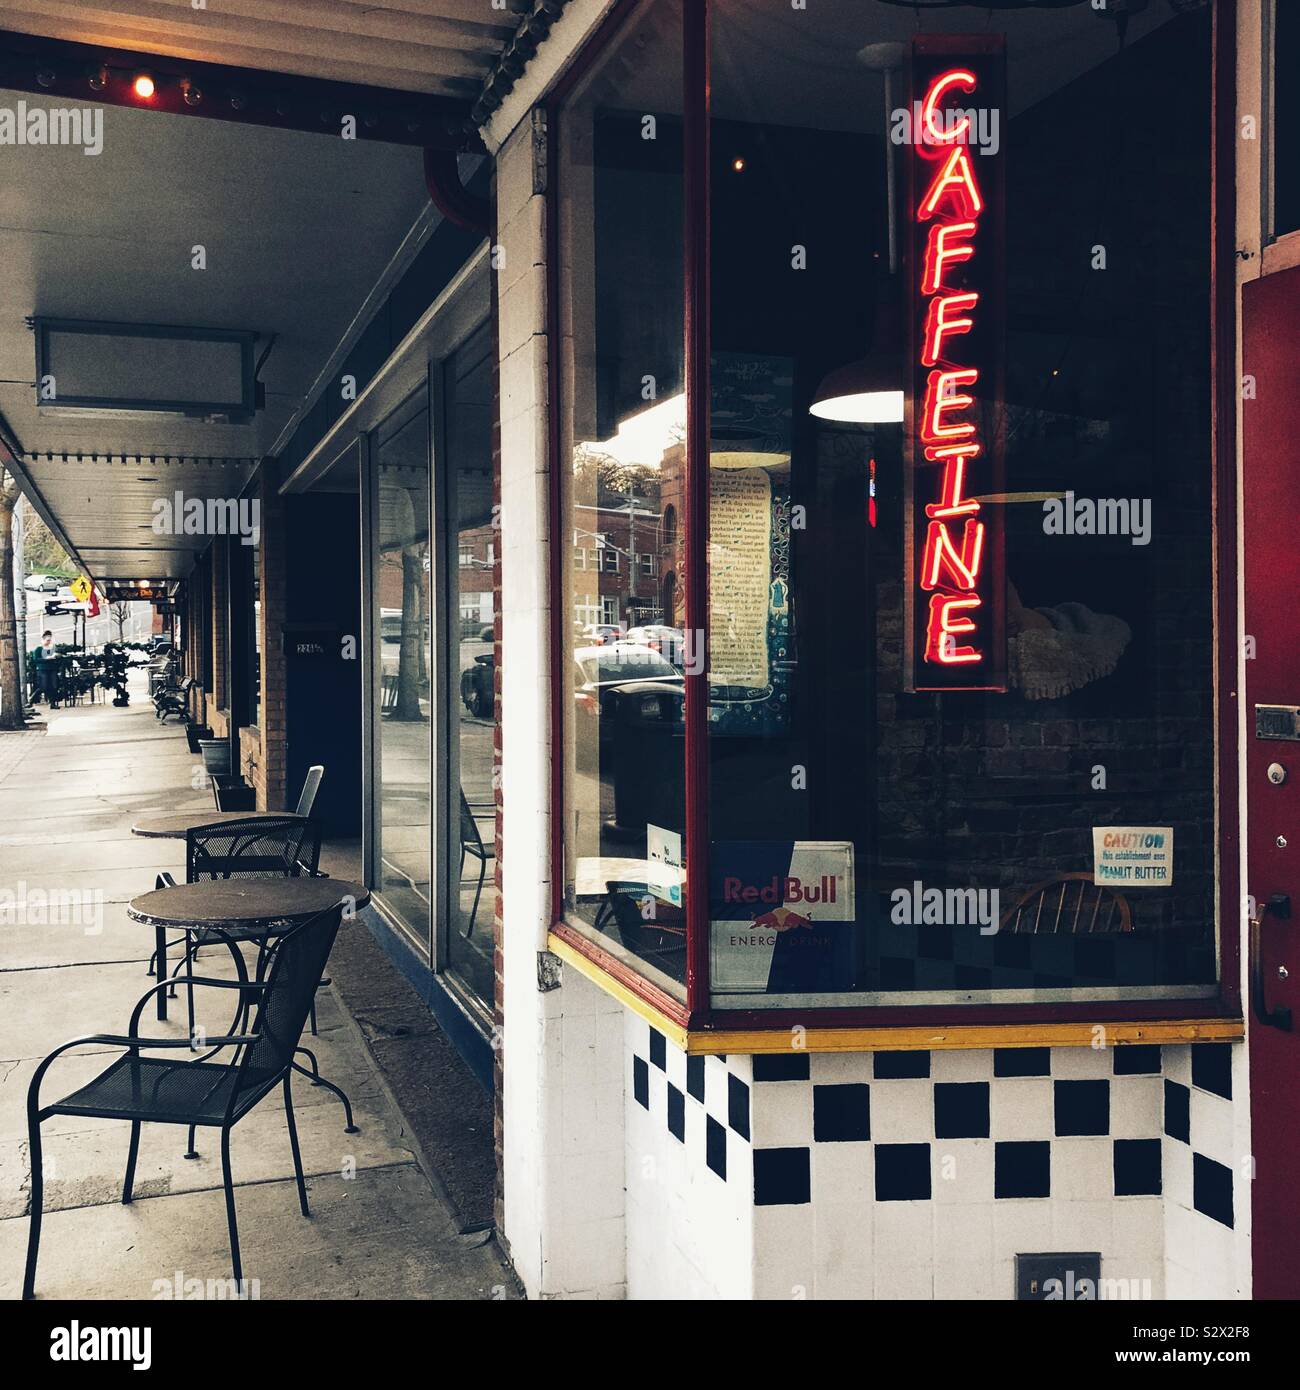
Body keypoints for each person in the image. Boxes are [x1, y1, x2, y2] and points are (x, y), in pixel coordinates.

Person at [34, 631, 60, 709]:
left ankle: (53, 703)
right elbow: (36, 659)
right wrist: (46, 659)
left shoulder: (52, 648)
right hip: (43, 669)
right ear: (43, 640)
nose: (49, 642)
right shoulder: (39, 649)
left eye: (50, 640)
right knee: (44, 686)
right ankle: (31, 699)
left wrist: (56, 657)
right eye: (47, 640)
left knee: (54, 686)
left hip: (52, 669)